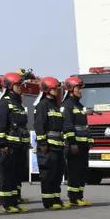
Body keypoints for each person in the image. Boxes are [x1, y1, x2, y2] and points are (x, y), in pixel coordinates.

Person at [0, 71, 30, 213]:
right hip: (8, 147)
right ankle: (7, 204)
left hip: (19, 146)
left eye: (20, 84)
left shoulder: (18, 103)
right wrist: (2, 144)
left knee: (16, 176)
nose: (20, 87)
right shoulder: (4, 103)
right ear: (9, 86)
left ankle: (14, 202)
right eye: (17, 85)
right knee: (7, 176)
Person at [33, 76, 66, 210]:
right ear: (46, 90)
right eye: (53, 88)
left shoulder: (56, 106)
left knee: (58, 173)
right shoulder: (43, 105)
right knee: (48, 174)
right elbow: (39, 125)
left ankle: (56, 198)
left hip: (58, 145)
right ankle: (48, 201)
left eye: (56, 88)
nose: (56, 90)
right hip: (48, 146)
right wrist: (43, 143)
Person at [62, 76, 93, 207]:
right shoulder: (67, 105)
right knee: (74, 172)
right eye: (78, 88)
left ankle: (79, 196)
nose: (81, 90)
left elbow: (85, 126)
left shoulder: (80, 106)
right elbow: (67, 126)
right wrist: (72, 142)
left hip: (83, 145)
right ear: (70, 89)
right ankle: (73, 198)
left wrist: (89, 140)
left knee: (82, 171)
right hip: (74, 145)